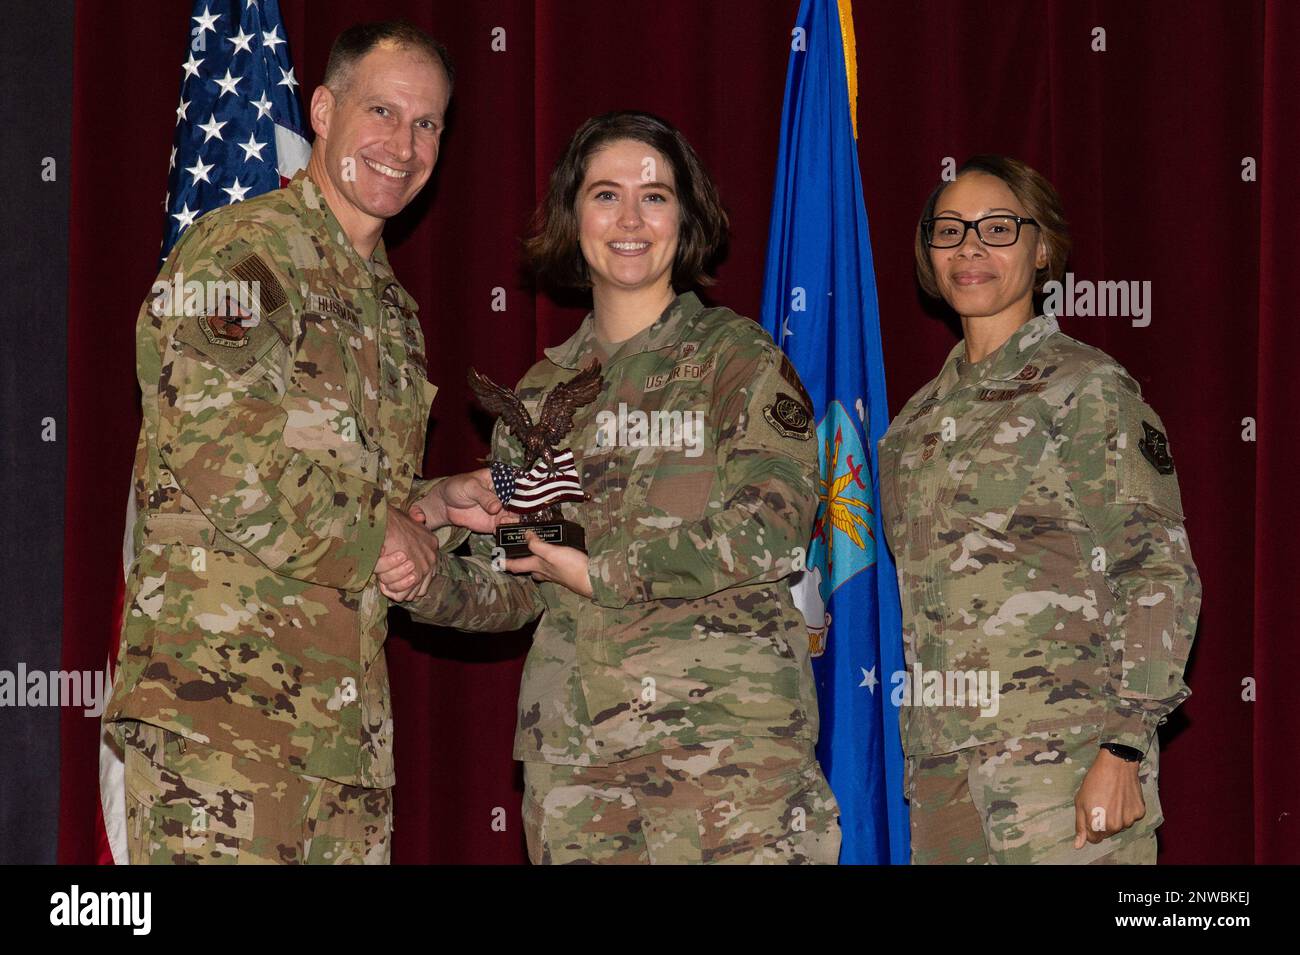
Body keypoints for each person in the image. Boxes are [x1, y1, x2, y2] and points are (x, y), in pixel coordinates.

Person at [104, 21, 501, 865]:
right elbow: (221, 458)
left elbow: (354, 500)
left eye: (427, 124)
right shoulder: (245, 254)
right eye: (383, 111)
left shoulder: (392, 311)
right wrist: (378, 530)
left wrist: (434, 508)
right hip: (223, 729)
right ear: (322, 110)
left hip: (342, 742)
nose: (404, 144)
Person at [397, 111, 840, 864]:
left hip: (728, 766)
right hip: (580, 773)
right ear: (574, 217)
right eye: (606, 195)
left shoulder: (737, 360)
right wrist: (423, 566)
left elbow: (774, 525)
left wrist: (604, 572)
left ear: (687, 216)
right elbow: (521, 584)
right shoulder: (539, 396)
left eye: (655, 196)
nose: (630, 218)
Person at [876, 155, 1201, 864]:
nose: (970, 247)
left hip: (1068, 764)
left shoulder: (1085, 388)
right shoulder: (909, 428)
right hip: (943, 781)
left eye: (997, 228)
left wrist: (1125, 743)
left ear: (1041, 248)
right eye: (950, 230)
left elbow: (1157, 570)